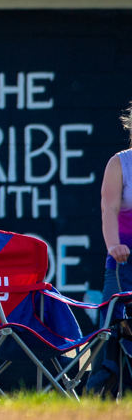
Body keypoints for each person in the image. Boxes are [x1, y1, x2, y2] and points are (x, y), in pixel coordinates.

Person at [89, 102, 132, 395]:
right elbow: (109, 209)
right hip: (124, 264)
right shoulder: (120, 163)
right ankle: (98, 400)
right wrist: (114, 245)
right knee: (110, 333)